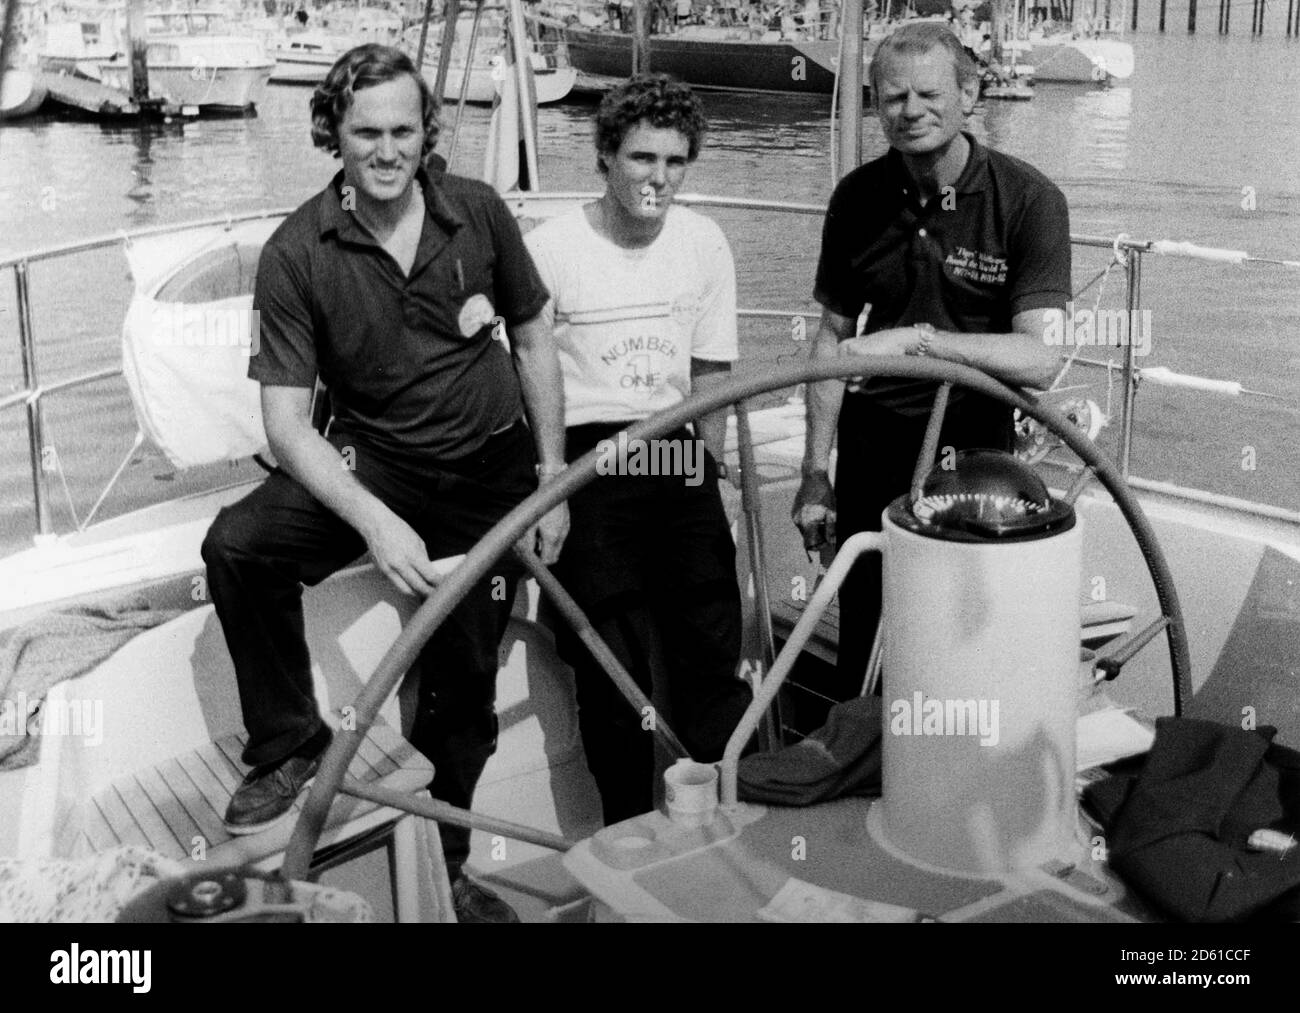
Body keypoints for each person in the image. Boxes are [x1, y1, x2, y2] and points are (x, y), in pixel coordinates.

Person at [200, 44, 567, 923]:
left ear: (427, 130)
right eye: (367, 132)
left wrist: (551, 475)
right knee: (238, 545)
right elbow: (286, 425)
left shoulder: (478, 212)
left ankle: (450, 867)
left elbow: (535, 333)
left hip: (490, 469)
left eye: (405, 128)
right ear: (335, 132)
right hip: (378, 464)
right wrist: (376, 523)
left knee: (464, 688)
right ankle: (290, 741)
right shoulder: (296, 251)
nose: (388, 149)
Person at [792, 22, 1069, 699]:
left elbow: (1038, 358)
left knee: (965, 627)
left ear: (969, 95)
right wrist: (813, 473)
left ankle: (958, 774)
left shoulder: (1028, 201)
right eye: (892, 98)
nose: (910, 111)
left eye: (928, 94)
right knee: (866, 619)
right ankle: (866, 768)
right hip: (872, 443)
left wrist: (914, 341)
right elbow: (830, 337)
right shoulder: (856, 199)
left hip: (976, 451)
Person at [523, 75, 752, 827]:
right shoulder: (550, 249)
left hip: (677, 445)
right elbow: (533, 371)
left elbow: (713, 374)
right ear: (603, 156)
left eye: (675, 163)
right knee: (606, 662)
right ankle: (626, 829)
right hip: (591, 456)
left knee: (712, 642)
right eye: (642, 158)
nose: (658, 178)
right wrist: (550, 487)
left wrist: (709, 477)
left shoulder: (704, 242)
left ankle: (729, 814)